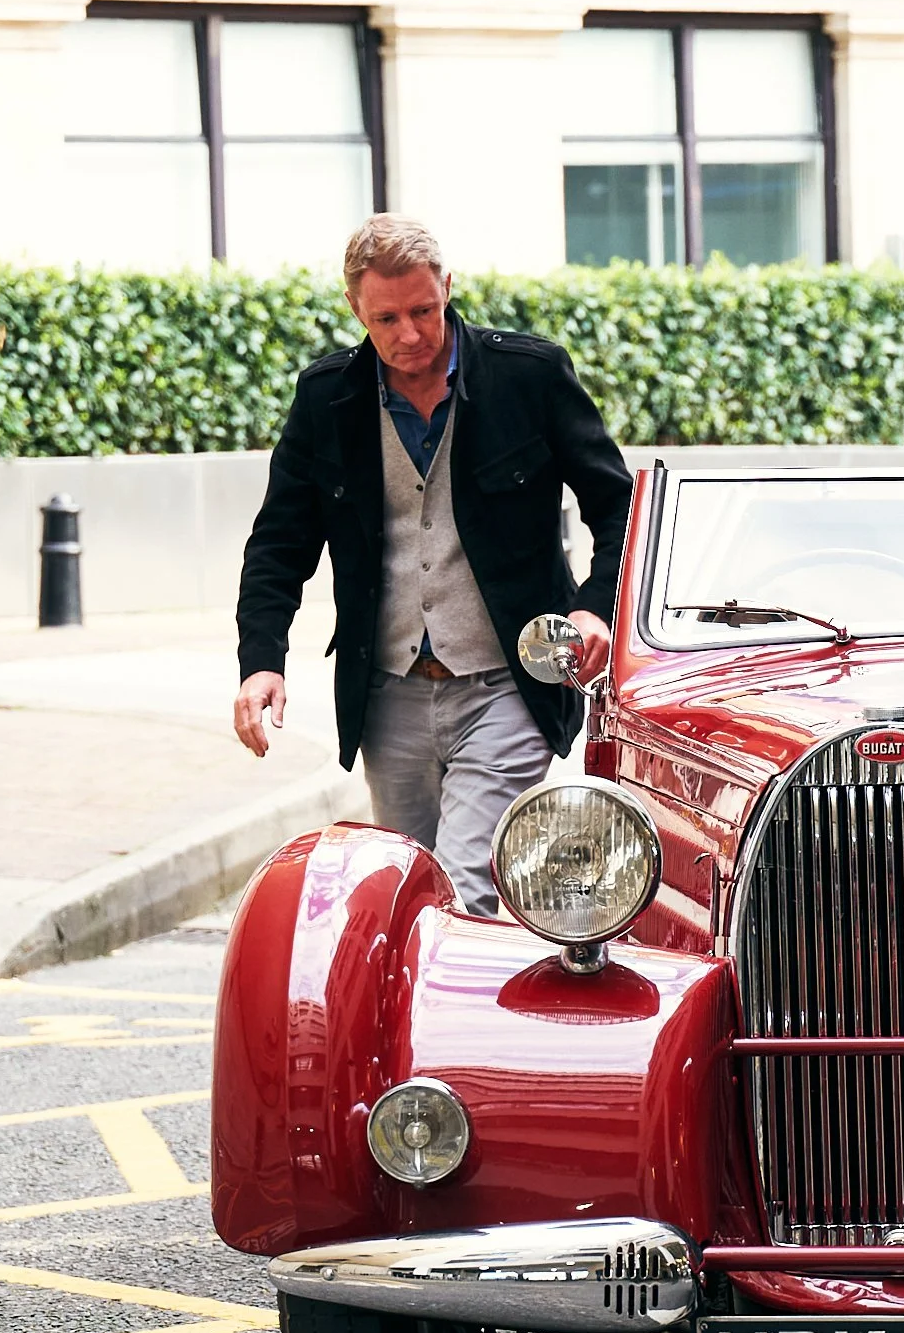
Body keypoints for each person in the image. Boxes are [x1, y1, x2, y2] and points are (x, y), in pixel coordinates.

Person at [232, 214, 631, 915]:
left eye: (424, 310)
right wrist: (261, 660)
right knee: (407, 898)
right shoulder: (326, 400)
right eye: (386, 318)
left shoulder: (528, 376)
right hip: (388, 694)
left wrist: (595, 606)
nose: (409, 334)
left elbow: (618, 504)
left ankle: (455, 1019)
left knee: (463, 891)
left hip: (508, 683)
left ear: (448, 287)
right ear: (354, 307)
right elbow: (279, 543)